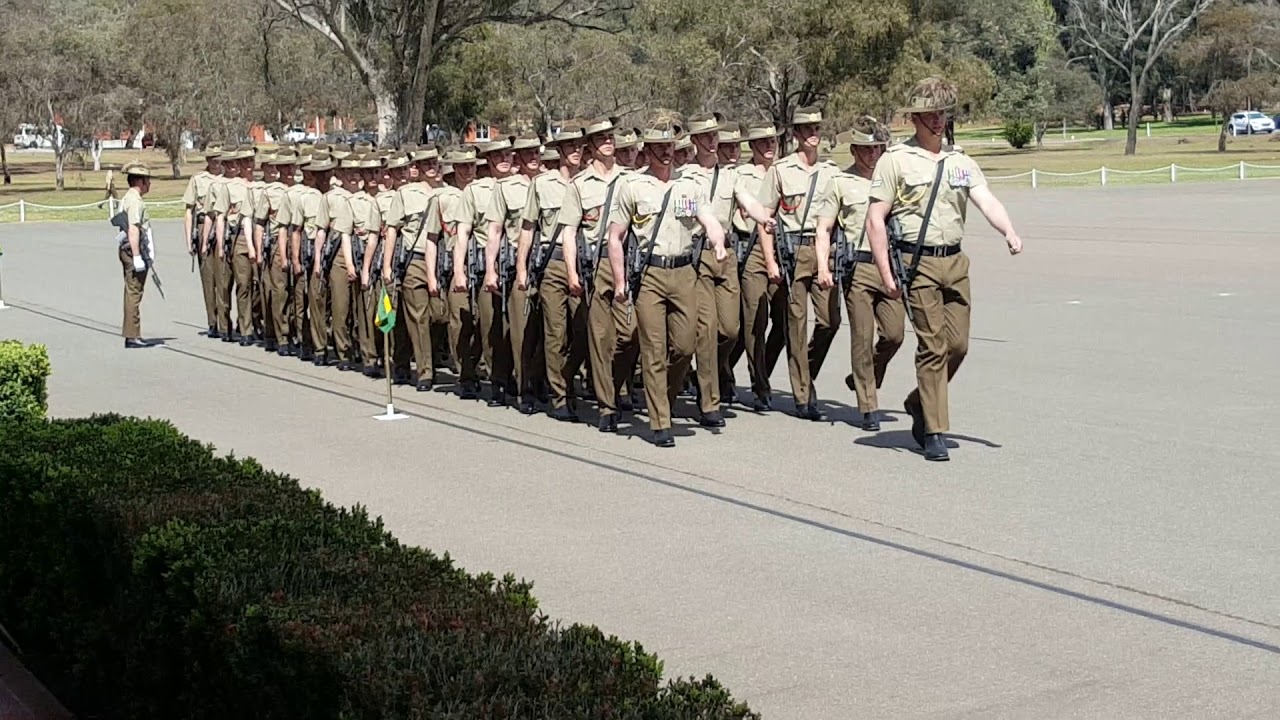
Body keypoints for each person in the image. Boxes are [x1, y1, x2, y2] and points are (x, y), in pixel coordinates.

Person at [864, 77, 1025, 461]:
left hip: (955, 261)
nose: (937, 121)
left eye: (941, 114)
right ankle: (934, 430)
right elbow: (875, 219)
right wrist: (887, 274)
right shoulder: (895, 161)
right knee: (932, 346)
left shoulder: (960, 162)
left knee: (958, 346)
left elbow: (986, 200)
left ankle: (919, 401)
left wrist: (1009, 231)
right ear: (915, 118)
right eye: (929, 115)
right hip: (916, 263)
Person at [607, 118, 728, 448]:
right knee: (653, 349)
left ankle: (665, 397)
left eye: (669, 147)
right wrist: (620, 282)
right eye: (658, 147)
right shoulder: (633, 187)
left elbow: (707, 218)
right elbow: (615, 237)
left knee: (685, 345)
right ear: (646, 150)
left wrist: (718, 243)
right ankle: (660, 421)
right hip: (650, 275)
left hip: (685, 273)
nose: (664, 153)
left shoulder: (687, 186)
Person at [682, 113, 775, 427]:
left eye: (715, 136)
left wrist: (763, 216)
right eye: (706, 137)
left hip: (728, 257)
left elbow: (747, 200)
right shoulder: (684, 176)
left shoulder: (730, 175)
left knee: (731, 329)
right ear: (695, 141)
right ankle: (709, 400)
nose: (713, 141)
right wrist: (708, 226)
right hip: (698, 255)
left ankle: (706, 372)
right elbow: (688, 213)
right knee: (706, 329)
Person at [815, 116, 904, 432]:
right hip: (859, 268)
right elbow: (824, 228)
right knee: (862, 338)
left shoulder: (894, 181)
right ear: (854, 150)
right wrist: (823, 266)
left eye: (877, 148)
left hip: (890, 266)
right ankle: (868, 404)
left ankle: (862, 376)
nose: (872, 154)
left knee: (894, 335)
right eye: (866, 149)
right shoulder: (840, 182)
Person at [757, 106, 841, 421]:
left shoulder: (832, 171)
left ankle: (805, 368)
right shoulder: (780, 170)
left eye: (816, 128)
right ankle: (803, 396)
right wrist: (770, 262)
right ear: (796, 135)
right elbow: (765, 221)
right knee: (795, 325)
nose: (812, 134)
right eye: (806, 129)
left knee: (830, 321)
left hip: (823, 253)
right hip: (791, 252)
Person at [559, 116, 632, 432]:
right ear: (590, 145)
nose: (608, 141)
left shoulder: (632, 179)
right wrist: (572, 273)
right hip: (598, 265)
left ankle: (612, 387)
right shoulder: (579, 186)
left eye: (610, 136)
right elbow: (568, 233)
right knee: (600, 338)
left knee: (631, 335)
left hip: (630, 262)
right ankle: (606, 406)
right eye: (601, 137)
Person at [517, 123, 587, 422]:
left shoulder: (590, 182)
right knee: (555, 333)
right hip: (553, 264)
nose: (575, 150)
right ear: (559, 151)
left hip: (584, 263)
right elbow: (528, 228)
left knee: (585, 332)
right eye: (569, 146)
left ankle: (561, 378)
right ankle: (560, 396)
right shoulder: (542, 184)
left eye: (579, 146)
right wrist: (521, 268)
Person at [182, 146, 223, 338]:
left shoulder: (228, 179)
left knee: (224, 278)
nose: (217, 162)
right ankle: (212, 322)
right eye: (213, 158)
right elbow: (189, 210)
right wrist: (189, 239)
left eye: (219, 158)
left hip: (224, 229)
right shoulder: (198, 180)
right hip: (203, 227)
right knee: (208, 279)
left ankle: (226, 321)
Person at [117, 162, 156, 349]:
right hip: (133, 249)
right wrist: (137, 255)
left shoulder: (128, 198)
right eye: (147, 180)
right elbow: (133, 228)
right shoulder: (135, 201)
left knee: (131, 291)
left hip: (128, 249)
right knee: (134, 292)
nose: (149, 184)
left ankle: (131, 333)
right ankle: (132, 336)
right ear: (140, 181)